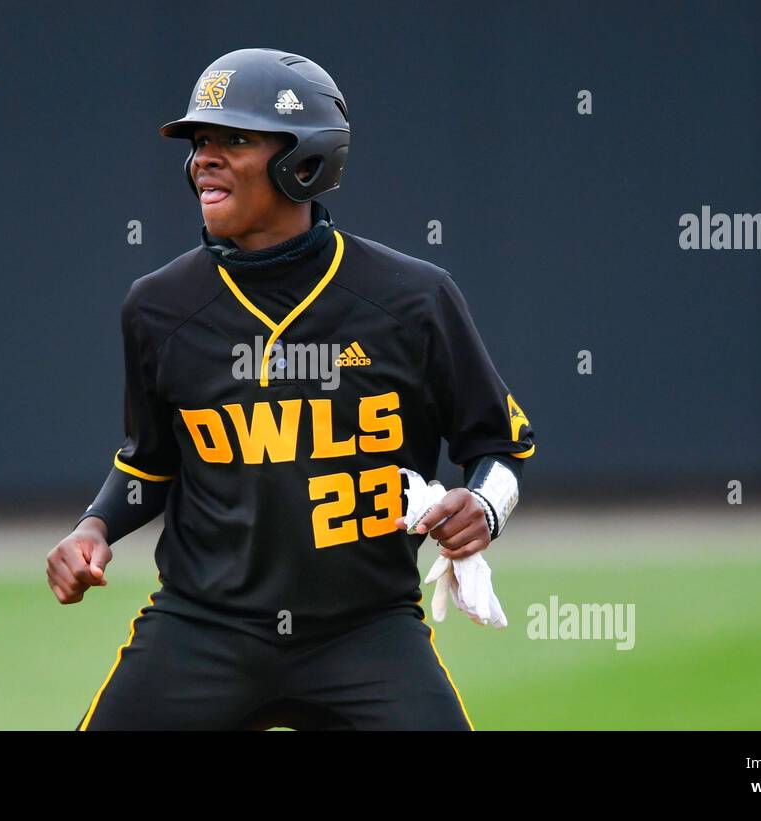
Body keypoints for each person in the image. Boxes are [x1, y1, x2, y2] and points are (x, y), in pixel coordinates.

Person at [47, 47, 536, 730]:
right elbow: (148, 461)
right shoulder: (158, 307)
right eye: (200, 142)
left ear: (305, 159)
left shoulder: (413, 299)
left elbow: (502, 445)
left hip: (365, 632)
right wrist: (93, 527)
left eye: (234, 139)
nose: (204, 158)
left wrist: (483, 504)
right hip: (203, 628)